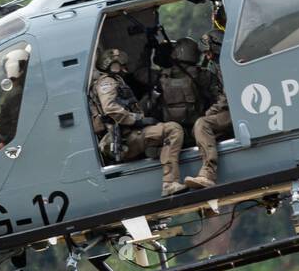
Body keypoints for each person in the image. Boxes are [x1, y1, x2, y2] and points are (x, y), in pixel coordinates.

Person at [89, 48, 187, 197]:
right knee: (174, 129)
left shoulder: (117, 81)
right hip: (124, 138)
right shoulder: (107, 82)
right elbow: (110, 108)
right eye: (120, 64)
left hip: (128, 134)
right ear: (113, 64)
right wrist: (136, 120)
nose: (124, 67)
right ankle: (170, 182)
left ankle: (159, 155)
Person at [184, 29, 231, 190]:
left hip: (236, 112)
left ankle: (208, 173)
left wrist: (211, 112)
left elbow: (228, 95)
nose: (208, 56)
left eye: (209, 52)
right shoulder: (221, 62)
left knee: (202, 125)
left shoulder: (226, 63)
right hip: (236, 110)